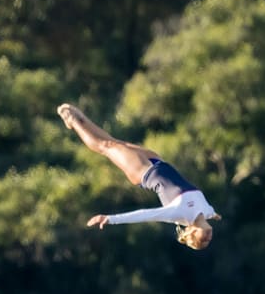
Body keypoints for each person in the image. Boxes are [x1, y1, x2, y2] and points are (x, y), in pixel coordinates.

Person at [57, 103, 222, 250]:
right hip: (158, 162)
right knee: (115, 142)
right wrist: (215, 214)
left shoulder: (180, 214)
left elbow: (145, 215)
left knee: (105, 146)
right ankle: (81, 118)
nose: (207, 239)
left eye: (202, 241)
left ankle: (73, 121)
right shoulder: (207, 211)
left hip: (143, 172)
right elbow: (211, 212)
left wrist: (110, 219)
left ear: (192, 231)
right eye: (208, 241)